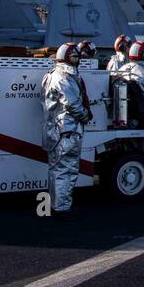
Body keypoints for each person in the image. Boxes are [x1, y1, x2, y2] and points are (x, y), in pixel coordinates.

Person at [41, 42, 92, 217]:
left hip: (57, 130)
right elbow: (72, 104)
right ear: (67, 57)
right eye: (75, 56)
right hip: (67, 130)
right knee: (67, 170)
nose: (78, 59)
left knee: (57, 170)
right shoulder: (64, 77)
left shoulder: (54, 74)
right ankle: (62, 208)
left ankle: (55, 206)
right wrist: (86, 116)